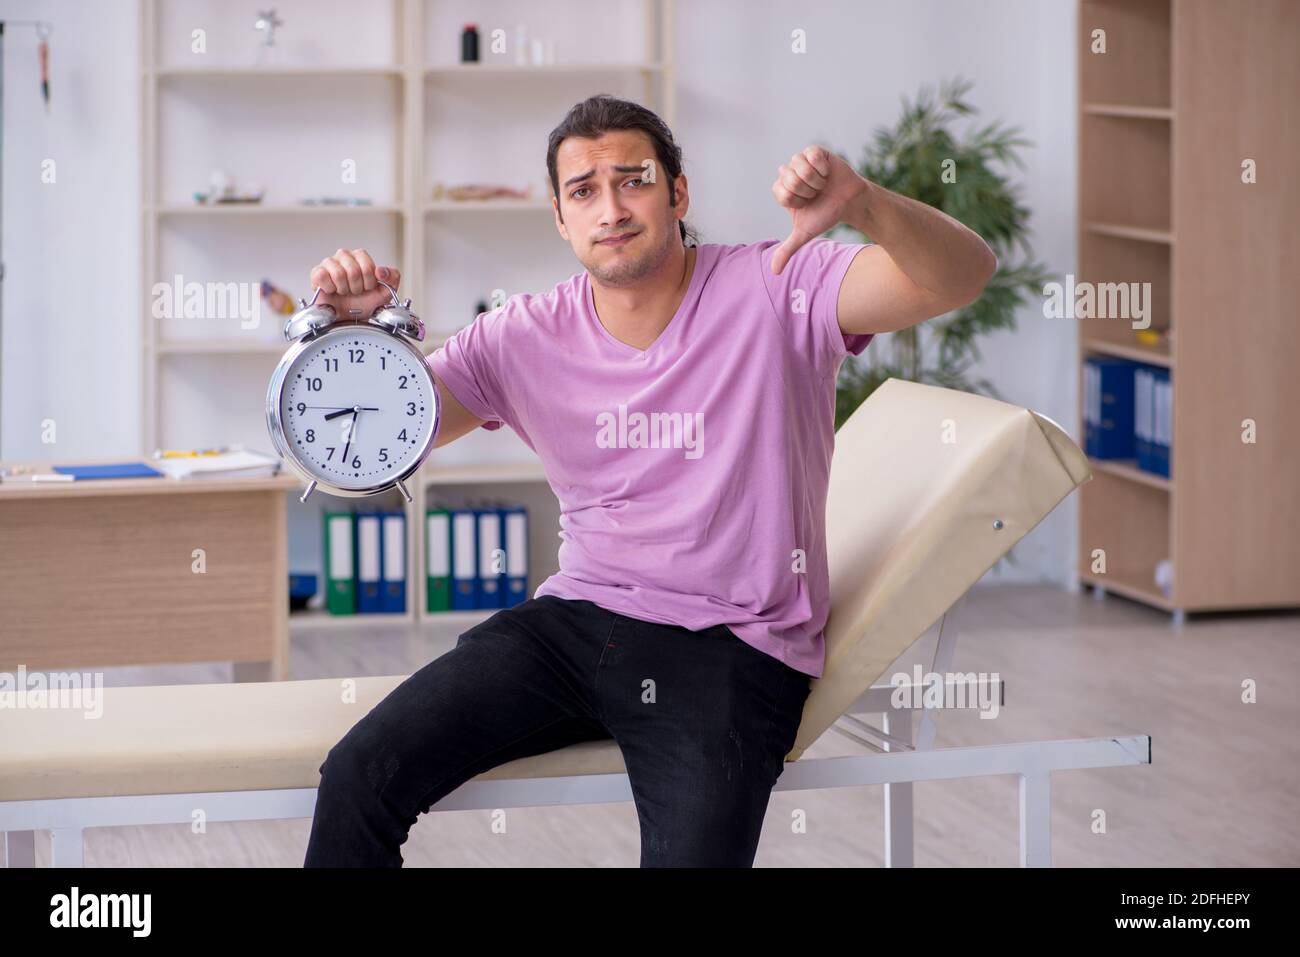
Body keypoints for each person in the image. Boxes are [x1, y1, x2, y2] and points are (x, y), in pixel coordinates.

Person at [303, 94, 995, 867]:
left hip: (731, 648)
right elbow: (360, 457)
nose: (611, 208)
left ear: (678, 192)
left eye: (632, 180)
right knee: (358, 775)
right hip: (571, 625)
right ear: (561, 220)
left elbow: (964, 275)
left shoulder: (779, 286)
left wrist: (864, 202)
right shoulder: (523, 334)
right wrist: (359, 343)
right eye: (583, 191)